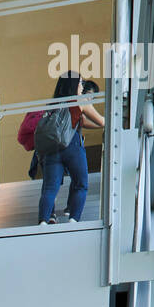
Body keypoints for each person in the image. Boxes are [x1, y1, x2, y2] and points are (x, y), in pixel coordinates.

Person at [37, 72, 104, 226]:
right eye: (80, 83)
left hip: (52, 149)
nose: (81, 86)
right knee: (81, 184)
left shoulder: (52, 105)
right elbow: (100, 121)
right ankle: (73, 220)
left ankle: (43, 222)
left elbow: (81, 122)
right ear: (73, 85)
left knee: (49, 188)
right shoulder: (80, 101)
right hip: (72, 146)